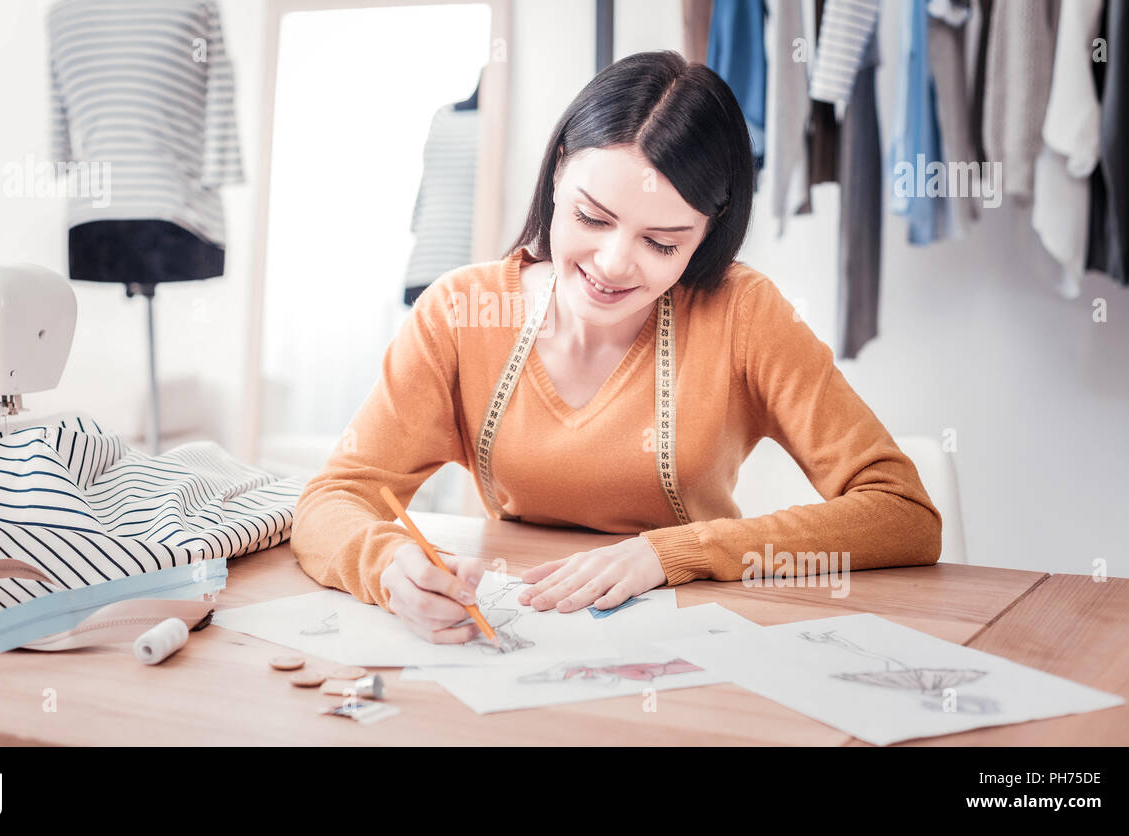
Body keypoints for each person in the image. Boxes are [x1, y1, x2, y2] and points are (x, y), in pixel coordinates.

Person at [290, 50, 942, 646]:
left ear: (707, 233)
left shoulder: (741, 313)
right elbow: (333, 498)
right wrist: (388, 567)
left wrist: (670, 554)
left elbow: (903, 514)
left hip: (690, 643)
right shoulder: (461, 312)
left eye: (662, 243)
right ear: (557, 173)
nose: (612, 264)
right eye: (592, 218)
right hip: (524, 632)